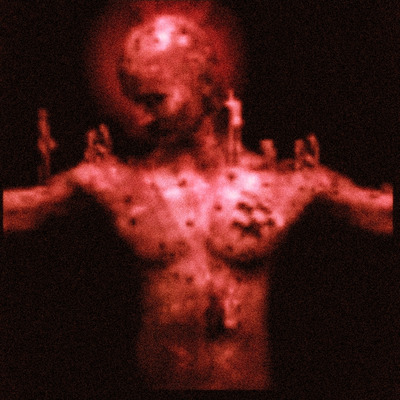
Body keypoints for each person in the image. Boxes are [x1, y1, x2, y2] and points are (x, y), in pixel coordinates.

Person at [3, 9, 393, 392]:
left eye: (154, 100)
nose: (139, 119)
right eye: (135, 101)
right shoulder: (113, 183)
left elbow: (380, 215)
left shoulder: (282, 183)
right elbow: (20, 210)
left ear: (203, 84)